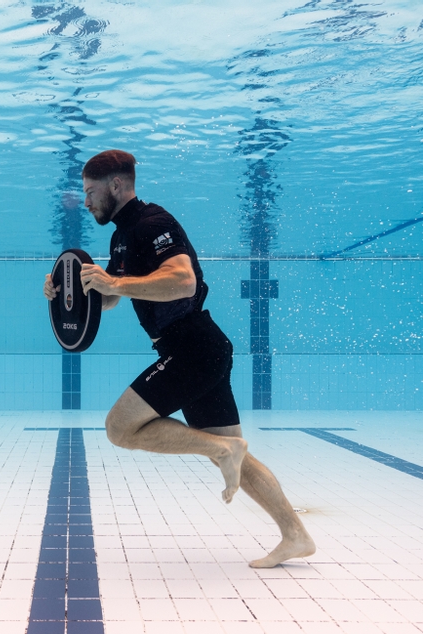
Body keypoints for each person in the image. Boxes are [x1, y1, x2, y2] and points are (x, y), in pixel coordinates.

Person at [43, 149, 315, 568]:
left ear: (116, 185)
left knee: (119, 428)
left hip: (193, 348)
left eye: (91, 191)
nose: (86, 201)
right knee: (236, 452)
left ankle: (223, 451)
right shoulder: (121, 235)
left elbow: (182, 281)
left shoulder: (153, 223)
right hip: (196, 349)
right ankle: (295, 535)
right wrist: (75, 294)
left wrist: (115, 280)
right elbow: (119, 294)